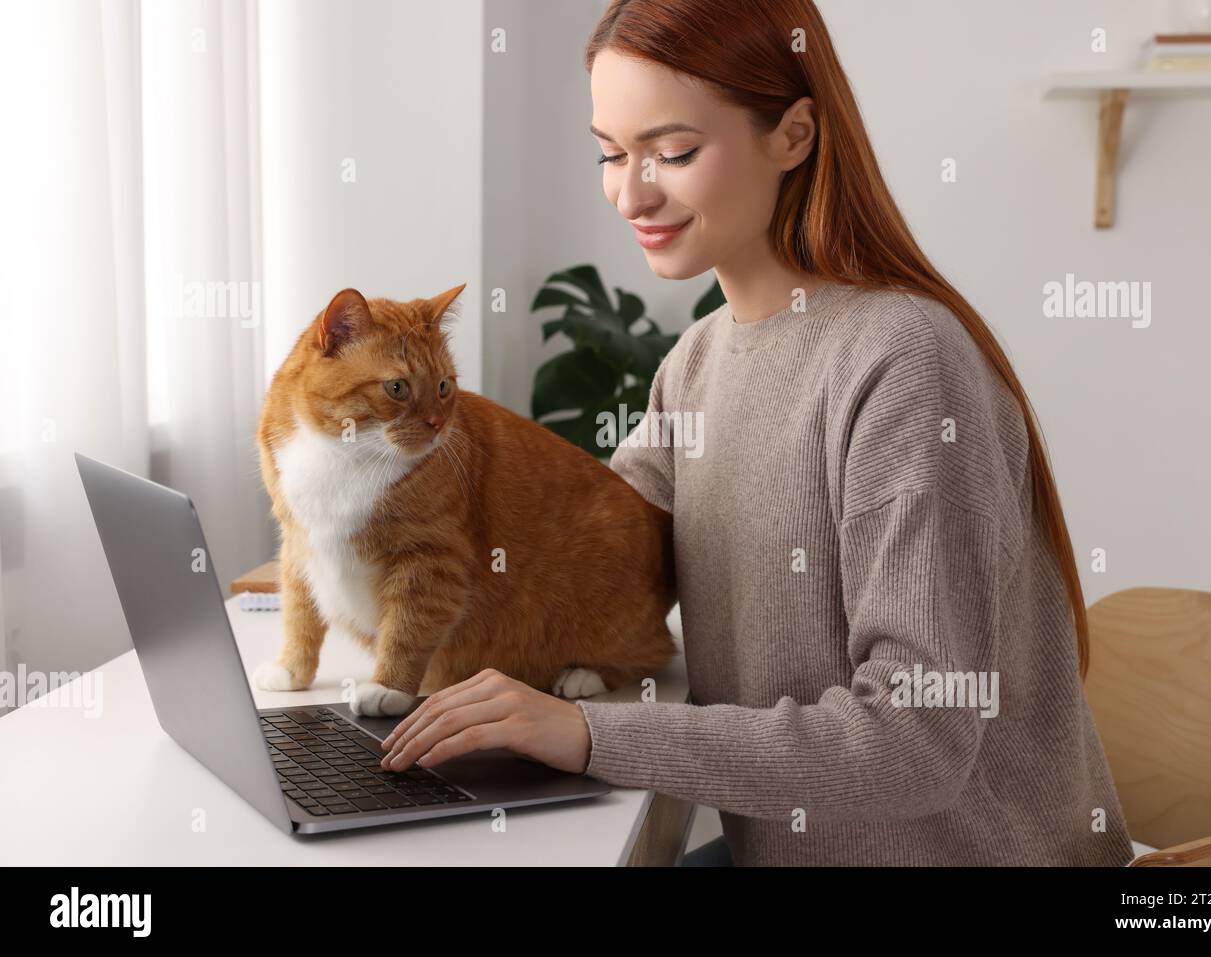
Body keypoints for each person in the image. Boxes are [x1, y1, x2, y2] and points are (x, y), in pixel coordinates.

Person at [380, 0, 1134, 867]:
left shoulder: (905, 363)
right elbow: (590, 552)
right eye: (610, 153)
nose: (631, 191)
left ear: (795, 134)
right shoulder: (695, 364)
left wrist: (592, 735)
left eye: (673, 151)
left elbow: (916, 740)